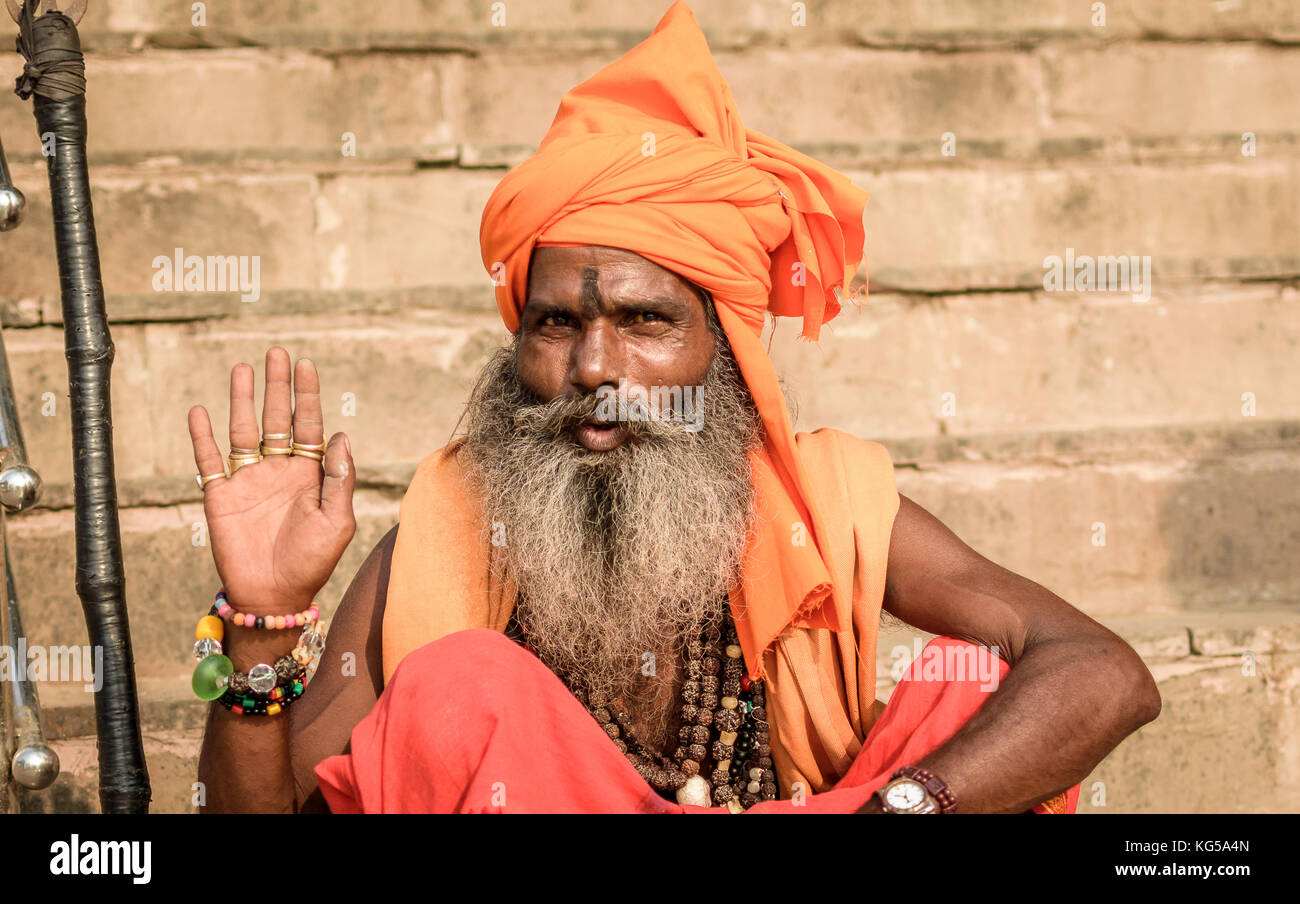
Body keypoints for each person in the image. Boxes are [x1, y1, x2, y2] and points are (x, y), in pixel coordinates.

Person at [189, 1, 1160, 814]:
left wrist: (893, 808)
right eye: (555, 323)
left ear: (723, 349)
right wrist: (262, 625)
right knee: (457, 687)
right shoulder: (454, 519)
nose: (594, 364)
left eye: (644, 319)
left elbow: (1101, 671)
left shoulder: (825, 502)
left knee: (974, 683)